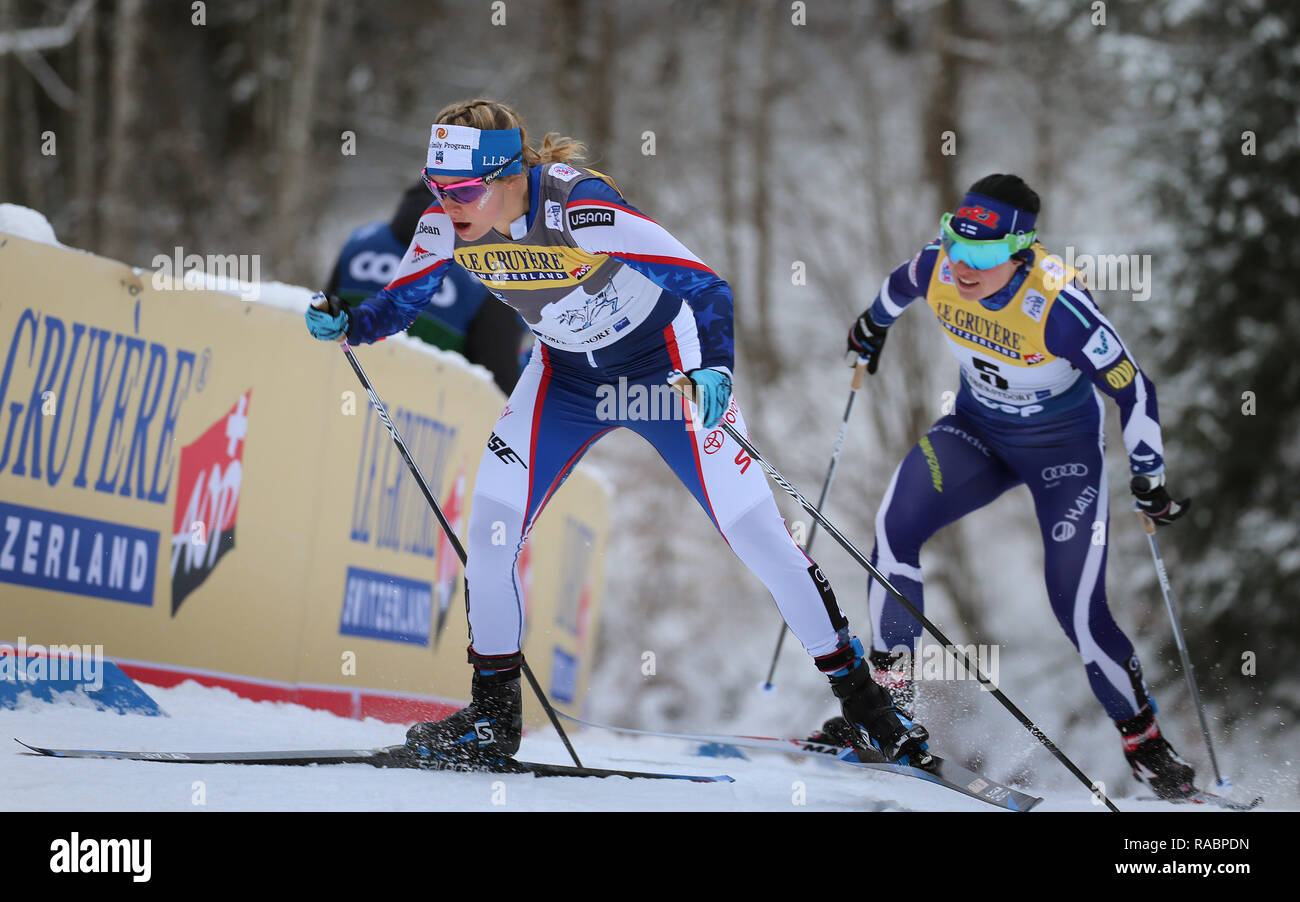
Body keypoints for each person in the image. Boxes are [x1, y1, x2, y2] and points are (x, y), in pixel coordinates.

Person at [305, 98, 932, 769]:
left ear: (510, 174)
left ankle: (867, 709)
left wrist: (714, 369)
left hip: (662, 370)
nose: (447, 203)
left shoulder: (580, 209)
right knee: (489, 529)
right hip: (566, 381)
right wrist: (351, 323)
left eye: (461, 189)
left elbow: (706, 287)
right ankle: (492, 718)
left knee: (759, 536)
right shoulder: (443, 223)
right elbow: (402, 300)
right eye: (436, 186)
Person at [825, 173, 1196, 799]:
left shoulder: (1059, 304)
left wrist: (1148, 476)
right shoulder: (937, 267)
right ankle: (887, 712)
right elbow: (895, 290)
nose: (965, 268)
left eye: (986, 257)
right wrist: (871, 327)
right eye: (958, 247)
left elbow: (1134, 388)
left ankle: (1146, 747)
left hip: (1063, 460)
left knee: (1076, 608)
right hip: (975, 436)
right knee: (894, 532)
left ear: (1021, 250)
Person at [325, 179, 529, 394]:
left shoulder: (360, 241)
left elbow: (322, 323)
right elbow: (497, 388)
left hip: (337, 394)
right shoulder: (485, 271)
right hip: (422, 414)